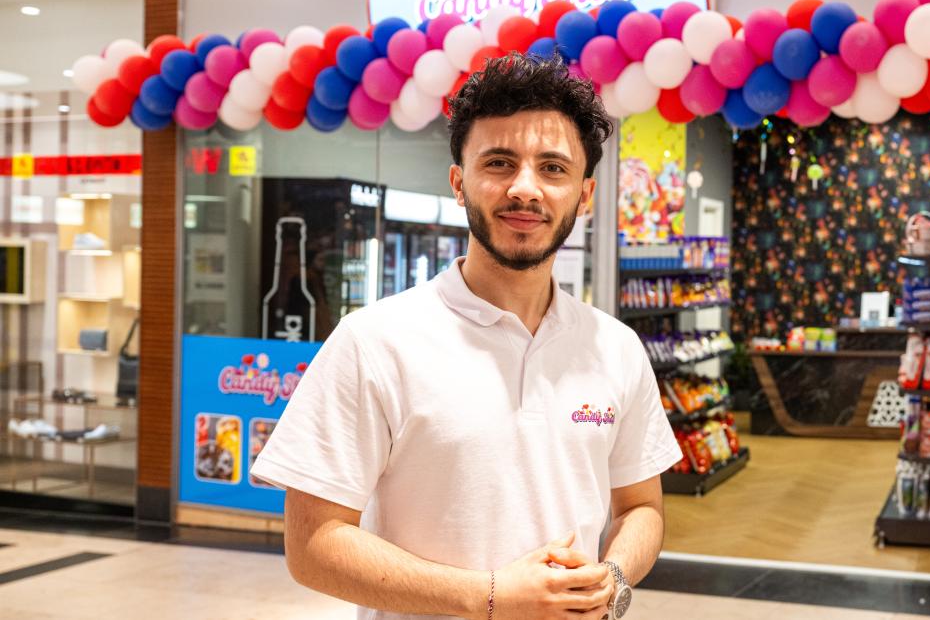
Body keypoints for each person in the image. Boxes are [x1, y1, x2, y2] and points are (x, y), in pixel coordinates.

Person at [250, 54, 682, 620]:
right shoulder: (375, 341)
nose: (525, 189)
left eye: (553, 168)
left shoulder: (616, 347)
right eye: (500, 162)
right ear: (460, 182)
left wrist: (613, 579)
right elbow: (312, 546)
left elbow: (641, 507)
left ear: (584, 195)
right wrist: (492, 597)